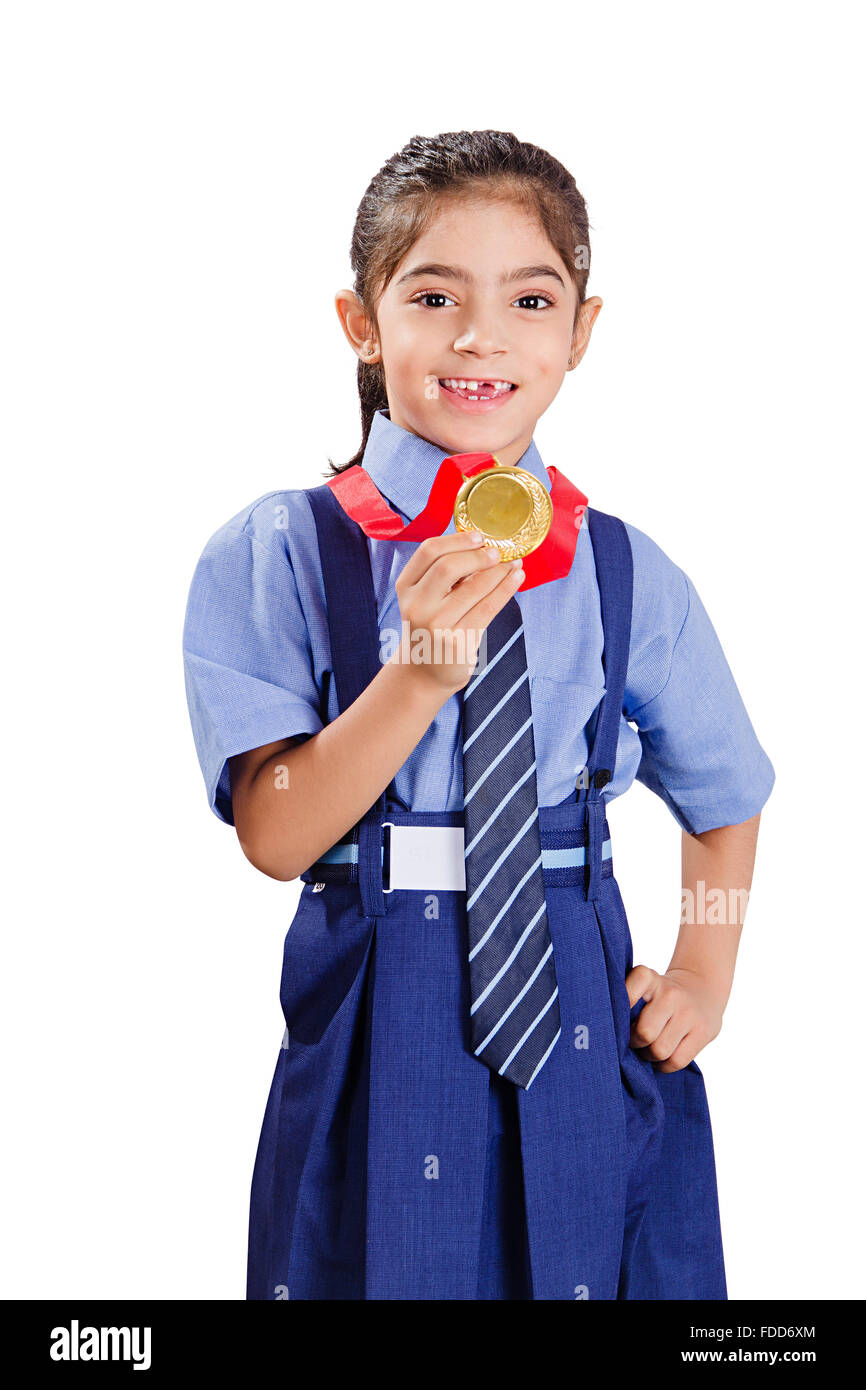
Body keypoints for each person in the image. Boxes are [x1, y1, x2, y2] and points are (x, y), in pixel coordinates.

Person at [182, 130, 774, 1300]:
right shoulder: (281, 553)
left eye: (530, 297)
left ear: (581, 331)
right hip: (377, 991)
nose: (479, 336)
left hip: (575, 990)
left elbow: (724, 792)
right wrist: (414, 677)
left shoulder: (621, 570)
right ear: (361, 322)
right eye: (433, 294)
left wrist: (704, 966)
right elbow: (277, 835)